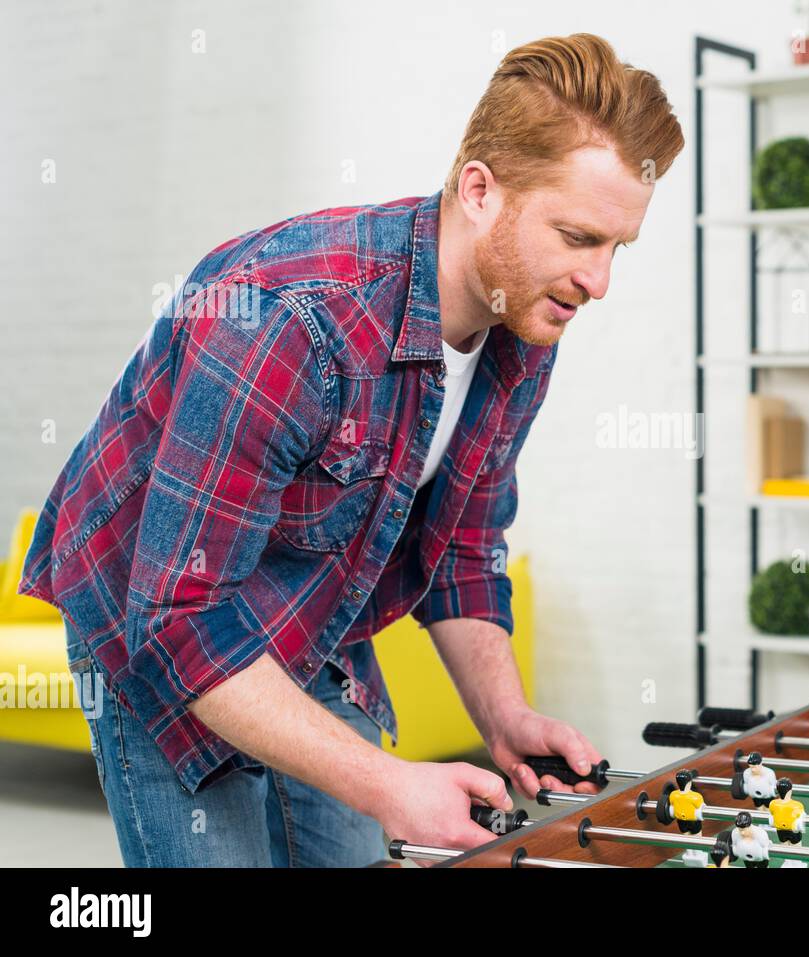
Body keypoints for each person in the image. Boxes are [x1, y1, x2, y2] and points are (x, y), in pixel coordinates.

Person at [17, 32, 684, 867]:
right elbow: (180, 617)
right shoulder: (289, 320)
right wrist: (388, 781)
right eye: (580, 237)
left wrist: (504, 716)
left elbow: (463, 542)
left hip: (311, 609)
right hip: (156, 614)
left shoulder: (525, 324)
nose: (600, 281)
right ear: (479, 190)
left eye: (617, 247)